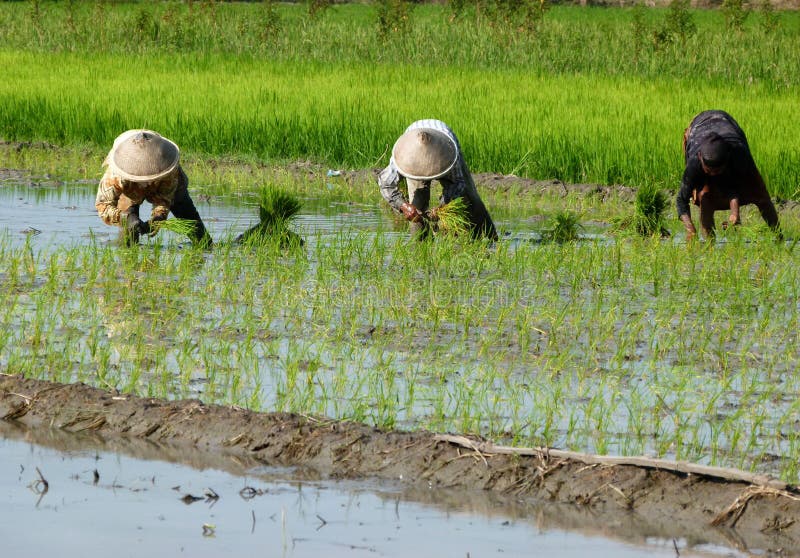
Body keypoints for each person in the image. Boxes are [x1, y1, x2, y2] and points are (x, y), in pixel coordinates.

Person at [378, 119, 497, 240]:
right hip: (413, 152)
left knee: (471, 195)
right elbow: (385, 183)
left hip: (442, 147)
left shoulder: (449, 152)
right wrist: (403, 206)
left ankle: (490, 236)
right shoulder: (404, 153)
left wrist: (442, 207)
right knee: (417, 205)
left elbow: (457, 183)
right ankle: (421, 246)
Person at [95, 129, 212, 247]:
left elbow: (164, 198)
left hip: (166, 180)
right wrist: (125, 218)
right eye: (142, 180)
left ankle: (205, 245)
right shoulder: (117, 175)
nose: (146, 184)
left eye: (150, 179)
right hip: (129, 189)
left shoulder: (169, 170)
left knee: (188, 217)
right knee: (129, 234)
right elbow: (103, 206)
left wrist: (158, 216)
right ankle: (129, 257)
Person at [676, 110, 780, 240]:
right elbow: (681, 200)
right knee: (705, 196)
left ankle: (778, 236)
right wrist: (690, 230)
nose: (714, 175)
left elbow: (733, 186)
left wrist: (735, 214)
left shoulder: (739, 155)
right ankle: (710, 243)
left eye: (718, 171)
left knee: (761, 196)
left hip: (728, 125)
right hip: (699, 126)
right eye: (709, 171)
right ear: (701, 159)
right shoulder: (694, 163)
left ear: (727, 161)